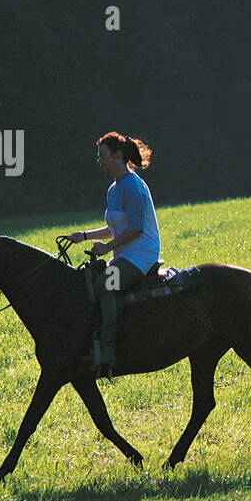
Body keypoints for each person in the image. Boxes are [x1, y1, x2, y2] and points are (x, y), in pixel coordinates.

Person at [67, 132, 162, 377]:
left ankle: (108, 351)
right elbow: (115, 228)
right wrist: (85, 236)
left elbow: (136, 227)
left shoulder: (132, 186)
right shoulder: (114, 189)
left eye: (102, 156)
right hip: (125, 255)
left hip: (141, 255)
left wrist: (107, 249)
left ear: (118, 156)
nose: (99, 161)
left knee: (106, 285)